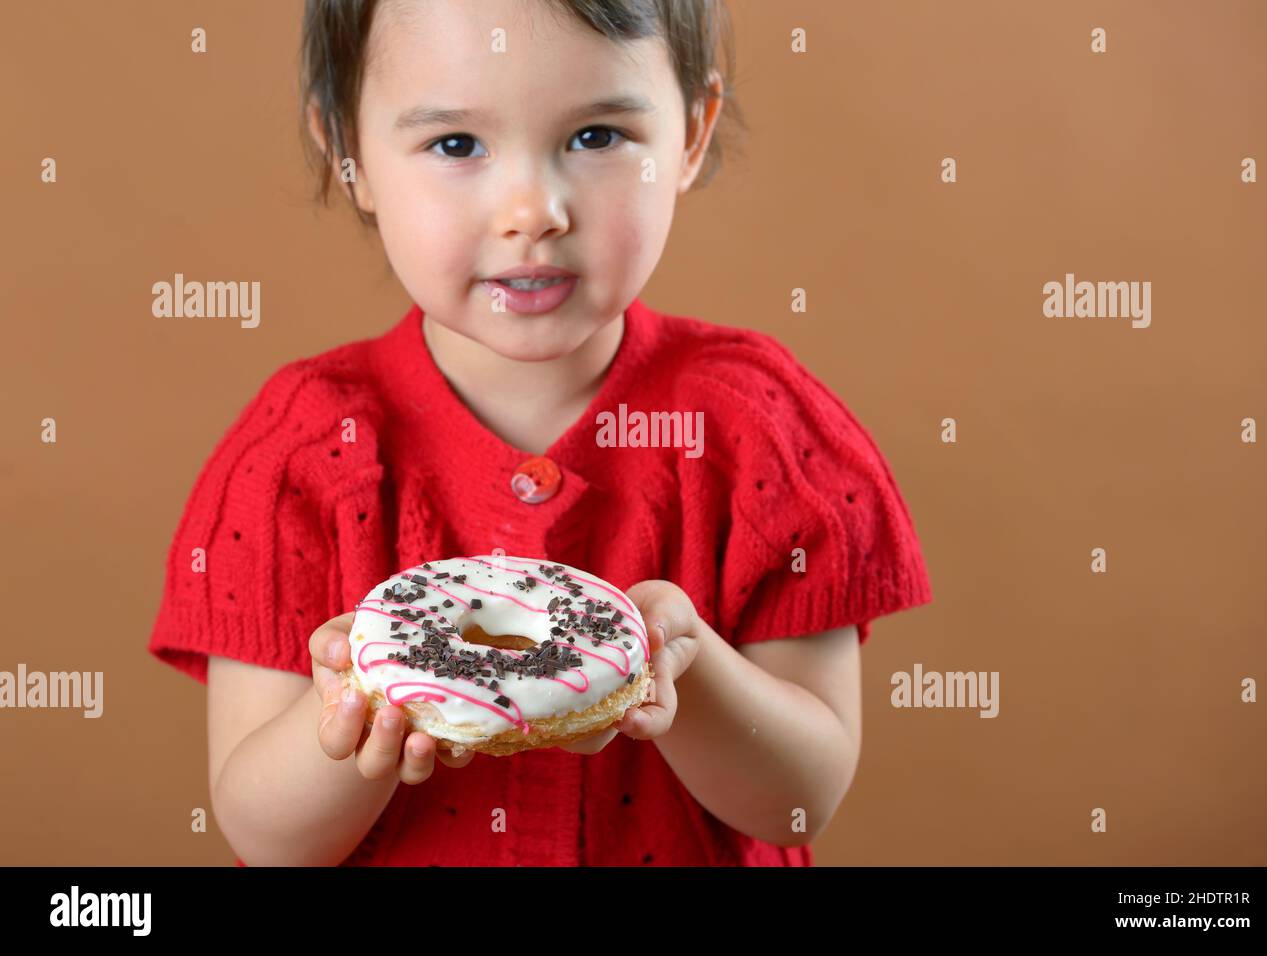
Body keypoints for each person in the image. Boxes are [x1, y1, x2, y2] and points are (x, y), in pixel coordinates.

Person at [148, 0, 933, 866]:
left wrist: (686, 666)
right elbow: (264, 838)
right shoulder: (297, 456)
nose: (533, 211)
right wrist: (353, 714)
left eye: (596, 136)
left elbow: (800, 800)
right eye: (456, 145)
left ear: (692, 136)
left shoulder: (764, 433)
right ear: (350, 153)